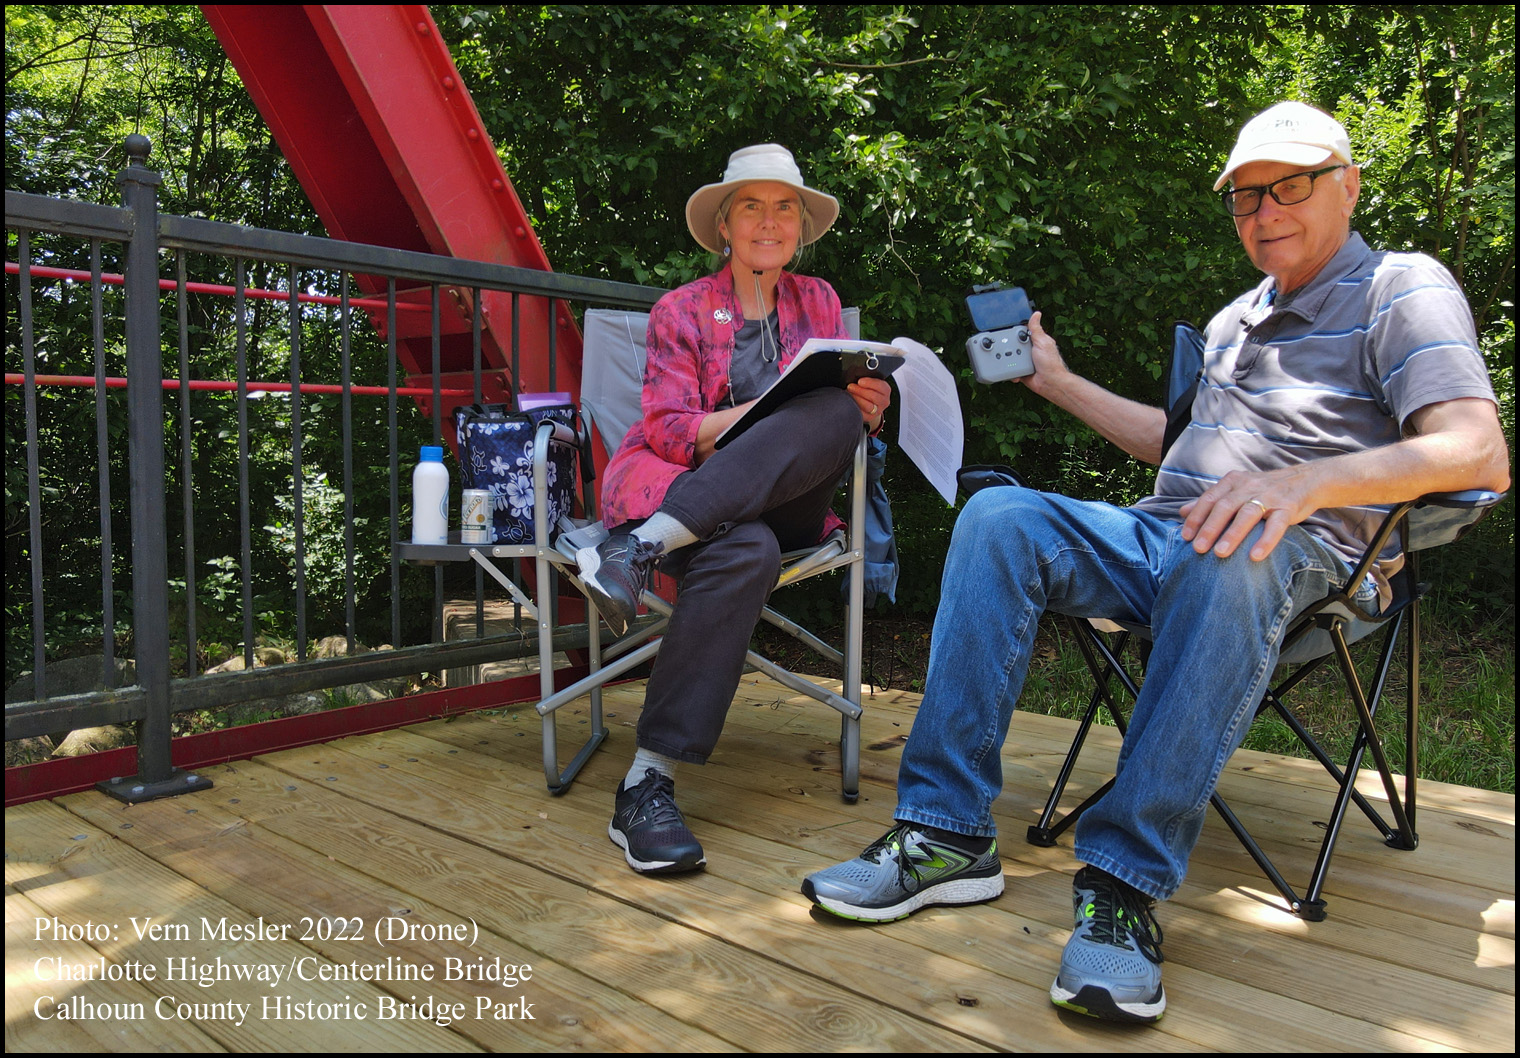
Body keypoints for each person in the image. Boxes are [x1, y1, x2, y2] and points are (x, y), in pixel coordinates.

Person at [801, 102, 1509, 1023]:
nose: (1264, 211)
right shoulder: (1235, 320)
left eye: (1288, 187)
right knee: (999, 516)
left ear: (1349, 185)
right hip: (1166, 534)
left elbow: (1477, 452)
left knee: (1233, 547)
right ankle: (944, 835)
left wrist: (1301, 488)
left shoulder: (1400, 289)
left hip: (1310, 557)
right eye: (1246, 198)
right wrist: (1051, 379)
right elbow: (1172, 451)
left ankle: (1123, 889)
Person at [576, 144, 892, 876]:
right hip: (701, 499)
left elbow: (823, 429)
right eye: (751, 204)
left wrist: (870, 409)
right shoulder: (679, 310)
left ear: (802, 226)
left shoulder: (819, 303)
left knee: (838, 415)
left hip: (791, 503)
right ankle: (646, 782)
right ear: (724, 223)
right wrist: (771, 411)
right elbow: (671, 430)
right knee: (743, 550)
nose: (769, 220)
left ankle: (637, 551)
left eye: (785, 206)